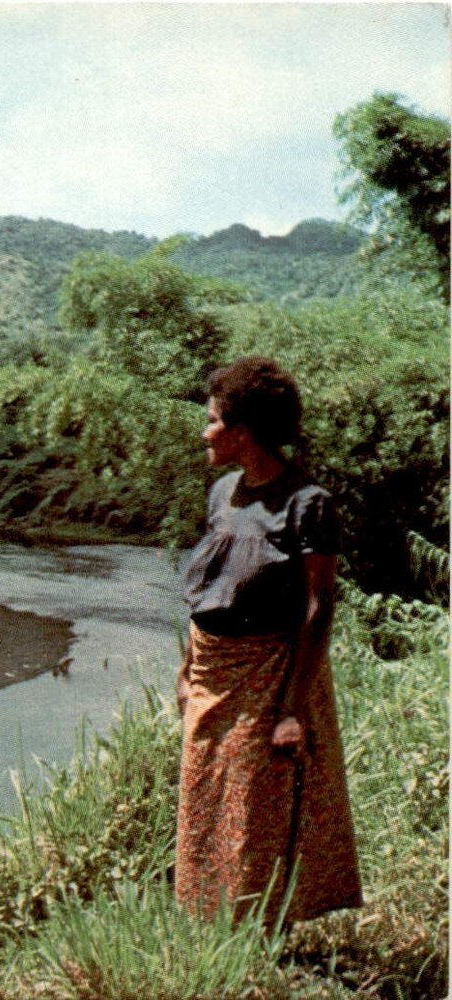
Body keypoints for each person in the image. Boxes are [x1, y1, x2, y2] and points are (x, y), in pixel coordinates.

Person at [176, 355, 362, 924]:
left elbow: (317, 606)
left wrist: (292, 708)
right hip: (211, 677)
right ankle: (204, 927)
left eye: (212, 420)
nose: (204, 431)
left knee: (256, 810)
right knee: (203, 801)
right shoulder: (221, 493)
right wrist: (187, 669)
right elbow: (210, 587)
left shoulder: (308, 505)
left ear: (242, 430)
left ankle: (254, 939)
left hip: (266, 678)